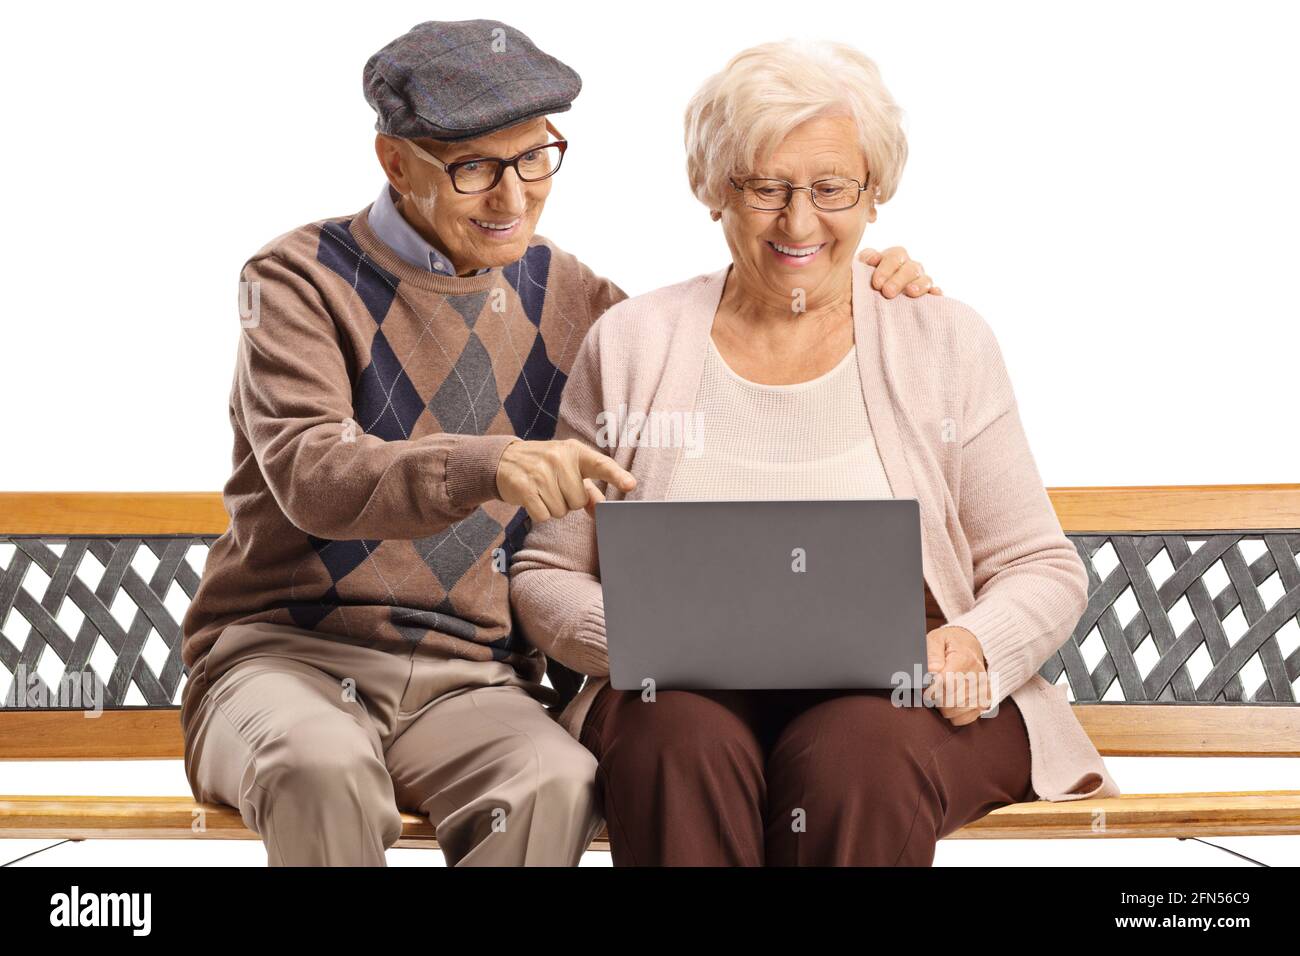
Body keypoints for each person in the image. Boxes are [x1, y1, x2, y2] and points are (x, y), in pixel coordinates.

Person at [179, 20, 941, 866]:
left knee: (556, 780)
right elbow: (312, 474)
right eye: (474, 169)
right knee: (319, 768)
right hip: (286, 659)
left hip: (473, 678)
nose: (513, 199)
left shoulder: (576, 301)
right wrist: (490, 462)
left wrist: (851, 281)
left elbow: (710, 360)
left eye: (534, 159)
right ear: (394, 161)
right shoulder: (296, 280)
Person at [510, 38, 1121, 866]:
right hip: (681, 698)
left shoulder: (940, 339)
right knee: (671, 737)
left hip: (896, 709)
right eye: (765, 187)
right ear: (711, 189)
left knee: (853, 756)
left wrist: (975, 643)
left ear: (876, 194)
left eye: (832, 188)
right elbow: (546, 572)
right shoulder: (632, 343)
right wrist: (633, 639)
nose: (799, 222)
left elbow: (1041, 567)